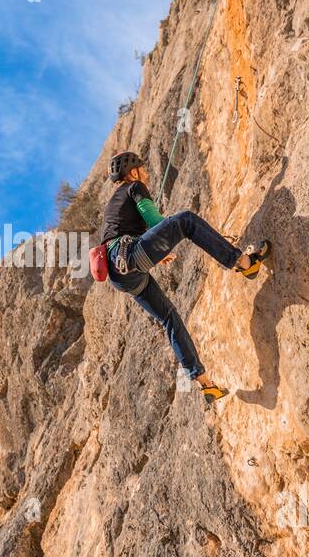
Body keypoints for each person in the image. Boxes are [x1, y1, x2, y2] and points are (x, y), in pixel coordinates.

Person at [99, 150, 270, 404]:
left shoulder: (114, 202)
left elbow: (119, 235)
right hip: (130, 256)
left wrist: (158, 250)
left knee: (169, 318)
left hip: (121, 274)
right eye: (142, 169)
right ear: (132, 172)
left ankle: (206, 384)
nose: (145, 173)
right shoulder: (134, 186)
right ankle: (245, 263)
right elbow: (153, 219)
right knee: (186, 221)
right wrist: (164, 236)